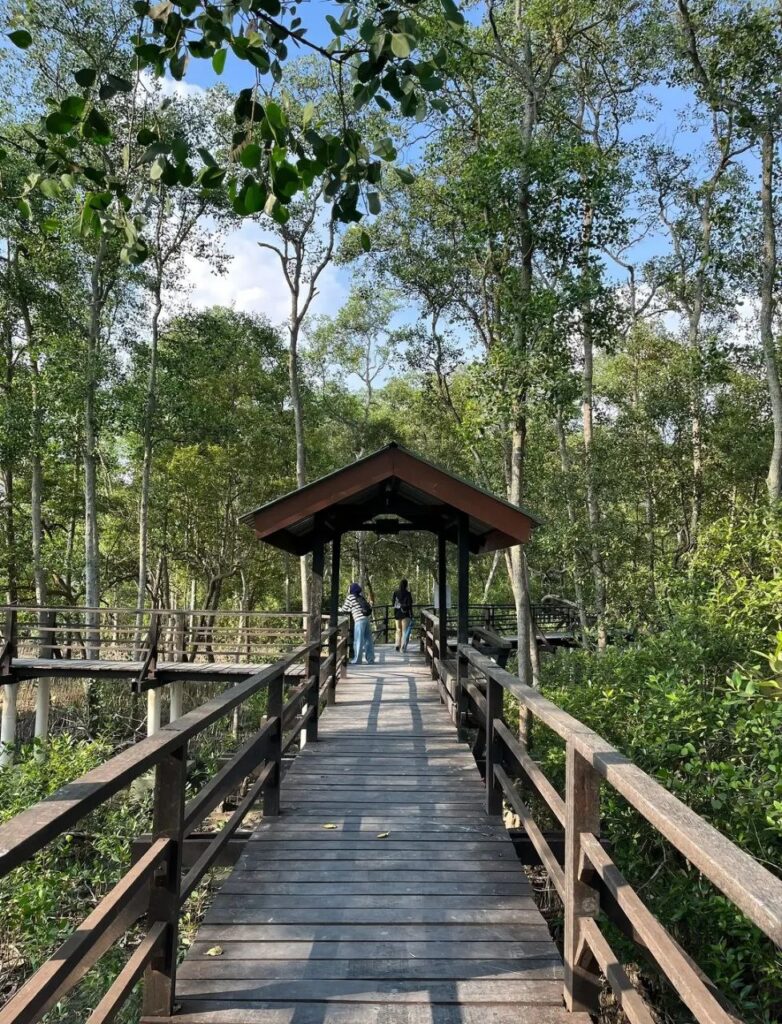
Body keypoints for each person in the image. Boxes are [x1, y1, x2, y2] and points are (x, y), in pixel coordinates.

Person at [341, 582, 375, 665]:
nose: (348, 589)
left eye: (349, 588)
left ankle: (357, 660)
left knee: (358, 640)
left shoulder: (350, 597)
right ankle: (370, 659)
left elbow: (344, 609)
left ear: (352, 589)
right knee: (368, 640)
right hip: (366, 619)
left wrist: (339, 609)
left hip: (359, 620)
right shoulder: (360, 597)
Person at [391, 578, 414, 652]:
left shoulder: (395, 593)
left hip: (397, 613)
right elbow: (410, 605)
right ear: (406, 585)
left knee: (398, 630)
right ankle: (403, 648)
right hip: (406, 614)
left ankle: (397, 644)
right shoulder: (408, 593)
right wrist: (411, 614)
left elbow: (393, 604)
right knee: (405, 631)